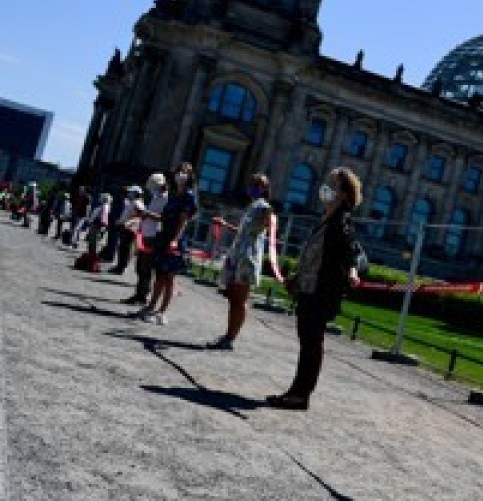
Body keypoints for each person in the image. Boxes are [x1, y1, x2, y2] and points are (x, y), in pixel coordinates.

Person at [265, 167, 363, 410]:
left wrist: (352, 271)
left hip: (322, 292)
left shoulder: (342, 220)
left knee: (311, 342)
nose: (327, 187)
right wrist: (296, 279)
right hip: (308, 288)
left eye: (333, 184)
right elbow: (315, 257)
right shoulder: (325, 219)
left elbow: (351, 249)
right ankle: (296, 391)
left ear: (342, 194)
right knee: (306, 340)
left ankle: (301, 394)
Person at [206, 174, 283, 350]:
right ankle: (227, 335)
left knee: (239, 299)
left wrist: (268, 217)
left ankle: (230, 338)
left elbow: (266, 228)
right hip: (238, 255)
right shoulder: (251, 207)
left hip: (248, 258)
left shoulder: (264, 207)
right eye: (253, 183)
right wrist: (225, 224)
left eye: (259, 184)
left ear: (266, 188)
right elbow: (245, 232)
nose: (255, 187)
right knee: (233, 298)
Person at [135, 163, 198, 325]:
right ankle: (151, 307)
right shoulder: (174, 195)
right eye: (178, 171)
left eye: (184, 172)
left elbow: (183, 221)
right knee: (160, 275)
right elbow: (164, 217)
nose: (179, 174)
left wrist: (176, 239)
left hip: (174, 239)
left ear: (190, 176)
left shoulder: (189, 195)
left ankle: (162, 312)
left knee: (169, 277)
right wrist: (147, 214)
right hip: (164, 236)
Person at [122, 174, 168, 305]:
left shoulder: (166, 199)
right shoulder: (155, 197)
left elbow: (163, 217)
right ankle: (139, 293)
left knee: (146, 267)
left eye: (154, 187)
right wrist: (140, 218)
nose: (151, 189)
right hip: (145, 234)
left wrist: (146, 213)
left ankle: (142, 295)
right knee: (139, 266)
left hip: (154, 236)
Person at [107, 185, 143, 275]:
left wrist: (126, 222)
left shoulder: (137, 203)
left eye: (131, 192)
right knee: (123, 248)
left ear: (135, 193)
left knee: (125, 249)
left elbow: (139, 215)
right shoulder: (134, 202)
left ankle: (121, 267)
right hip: (126, 227)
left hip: (130, 228)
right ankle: (120, 266)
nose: (129, 193)